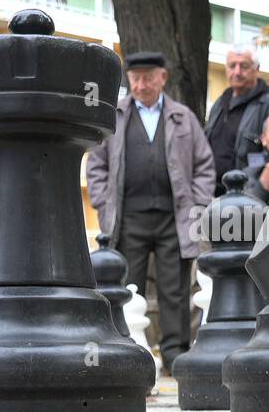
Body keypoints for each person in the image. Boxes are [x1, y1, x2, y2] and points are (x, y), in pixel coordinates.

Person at [86, 52, 215, 372]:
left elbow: (204, 165)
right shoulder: (114, 116)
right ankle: (128, 350)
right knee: (129, 286)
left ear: (162, 78)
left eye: (148, 78)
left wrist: (198, 204)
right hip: (128, 218)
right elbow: (96, 165)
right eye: (135, 79)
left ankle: (174, 354)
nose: (141, 85)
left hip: (175, 216)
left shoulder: (183, 117)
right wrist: (103, 201)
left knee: (175, 289)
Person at [204, 44, 269, 196]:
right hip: (211, 193)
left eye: (244, 66)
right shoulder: (221, 102)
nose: (237, 72)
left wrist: (253, 185)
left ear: (257, 69)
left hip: (249, 193)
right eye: (232, 66)